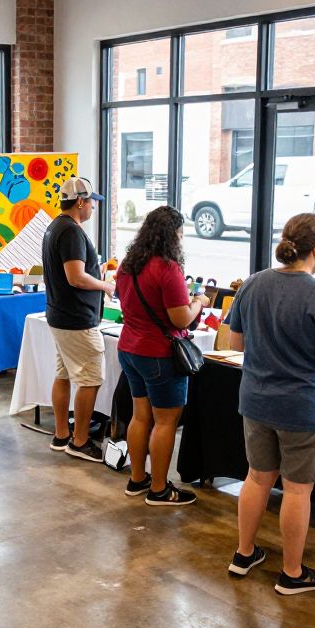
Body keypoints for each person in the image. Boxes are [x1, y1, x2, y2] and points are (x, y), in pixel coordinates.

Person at [226, 213, 315, 595]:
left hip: (256, 400)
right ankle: (292, 573)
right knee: (297, 491)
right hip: (304, 407)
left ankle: (244, 553)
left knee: (256, 477)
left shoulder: (252, 284)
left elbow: (236, 344)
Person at [116, 206, 209, 506]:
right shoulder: (168, 269)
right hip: (159, 354)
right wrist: (199, 302)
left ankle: (137, 478)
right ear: (173, 236)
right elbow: (181, 319)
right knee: (165, 422)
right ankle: (159, 489)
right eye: (181, 235)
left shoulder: (128, 265)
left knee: (140, 415)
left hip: (129, 348)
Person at [42, 177, 114, 462]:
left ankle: (62, 435)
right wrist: (105, 285)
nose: (94, 207)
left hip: (60, 315)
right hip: (77, 320)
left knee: (63, 375)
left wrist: (97, 271)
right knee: (90, 379)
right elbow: (76, 277)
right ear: (81, 202)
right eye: (92, 202)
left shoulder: (54, 227)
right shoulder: (71, 231)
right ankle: (80, 441)